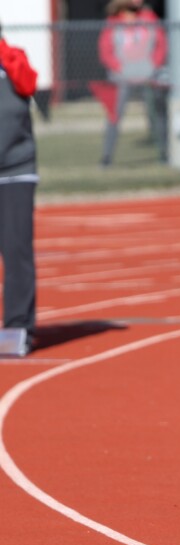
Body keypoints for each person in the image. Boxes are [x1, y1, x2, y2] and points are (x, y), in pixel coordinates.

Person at [0, 22, 39, 355]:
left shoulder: (12, 59)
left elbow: (28, 84)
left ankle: (18, 325)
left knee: (16, 251)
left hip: (15, 171)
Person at [97, 0, 168, 167]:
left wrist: (152, 66)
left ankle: (164, 153)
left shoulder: (149, 17)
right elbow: (105, 50)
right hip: (121, 77)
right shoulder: (113, 22)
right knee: (114, 116)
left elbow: (161, 45)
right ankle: (106, 157)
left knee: (157, 115)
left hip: (148, 75)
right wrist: (119, 67)